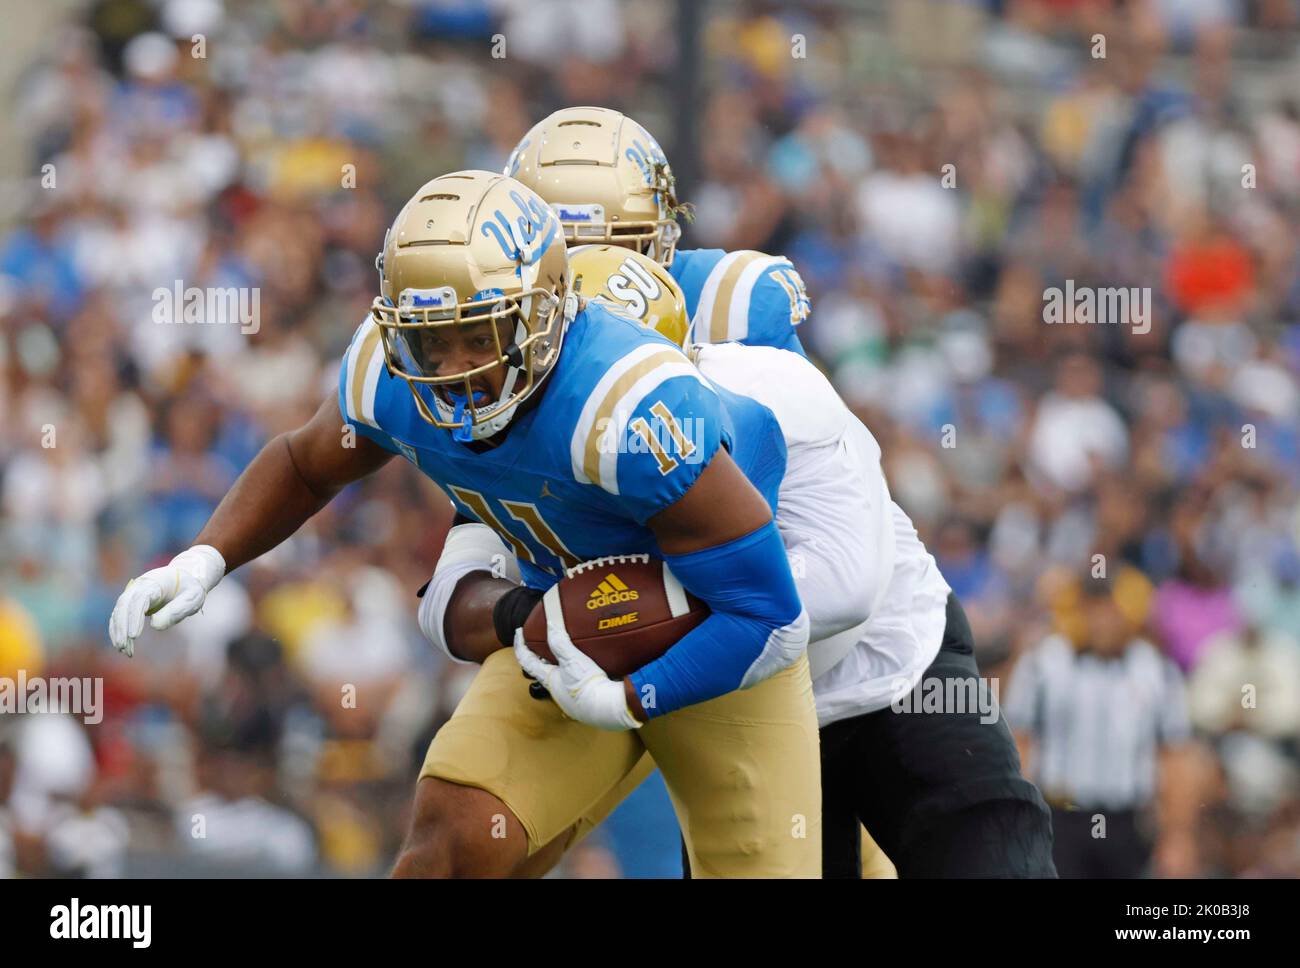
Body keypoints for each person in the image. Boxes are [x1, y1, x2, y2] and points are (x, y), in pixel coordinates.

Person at [110, 171, 820, 878]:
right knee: (453, 845)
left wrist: (631, 698)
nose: (452, 371)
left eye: (477, 336)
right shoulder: (386, 377)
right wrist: (205, 557)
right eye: (430, 343)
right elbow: (306, 464)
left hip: (718, 632)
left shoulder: (626, 410)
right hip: (571, 626)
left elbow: (767, 609)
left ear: (543, 314)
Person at [424, 244, 1057, 877]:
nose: (605, 401)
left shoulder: (765, 391)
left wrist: (640, 633)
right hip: (734, 706)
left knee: (996, 860)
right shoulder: (515, 429)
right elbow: (446, 600)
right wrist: (535, 615)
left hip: (883, 674)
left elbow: (845, 589)